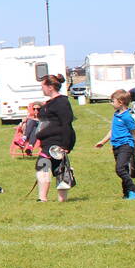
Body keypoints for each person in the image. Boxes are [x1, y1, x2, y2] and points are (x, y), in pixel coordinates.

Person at [33, 73, 76, 202]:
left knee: (56, 169)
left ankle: (56, 199)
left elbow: (66, 124)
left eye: (43, 86)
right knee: (49, 168)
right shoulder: (51, 102)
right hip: (47, 142)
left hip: (56, 143)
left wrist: (66, 145)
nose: (42, 88)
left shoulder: (62, 102)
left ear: (50, 87)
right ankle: (43, 198)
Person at [95, 89, 135, 199]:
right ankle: (126, 194)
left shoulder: (127, 117)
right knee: (124, 169)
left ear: (120, 102)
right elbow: (112, 130)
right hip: (116, 146)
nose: (111, 103)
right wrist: (103, 141)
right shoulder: (116, 115)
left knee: (120, 169)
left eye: (112, 101)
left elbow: (134, 133)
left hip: (126, 145)